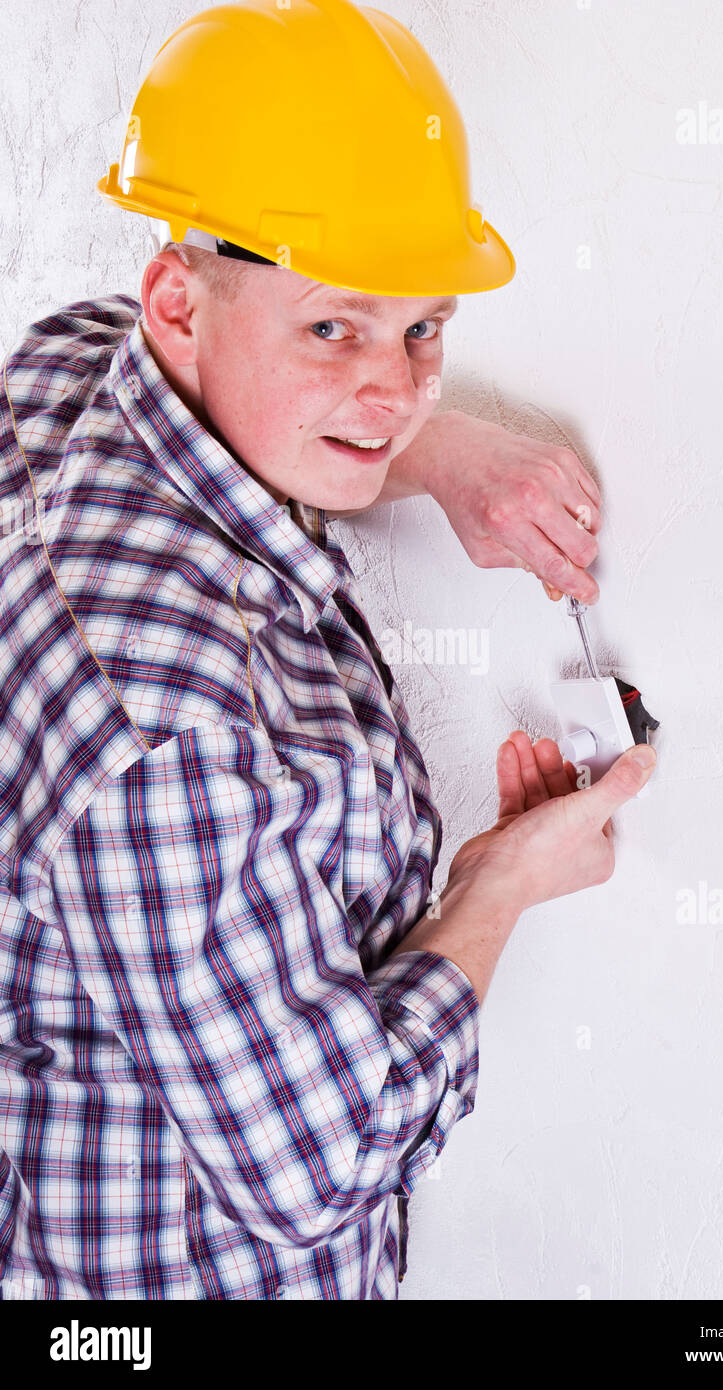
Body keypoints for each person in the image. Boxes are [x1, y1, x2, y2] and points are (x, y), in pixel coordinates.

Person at [0, 0, 656, 1300]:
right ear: (178, 302)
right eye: (334, 329)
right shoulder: (165, 726)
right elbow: (315, 1165)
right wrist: (497, 884)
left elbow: (153, 360)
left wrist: (440, 452)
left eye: (424, 330)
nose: (398, 385)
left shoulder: (71, 378)